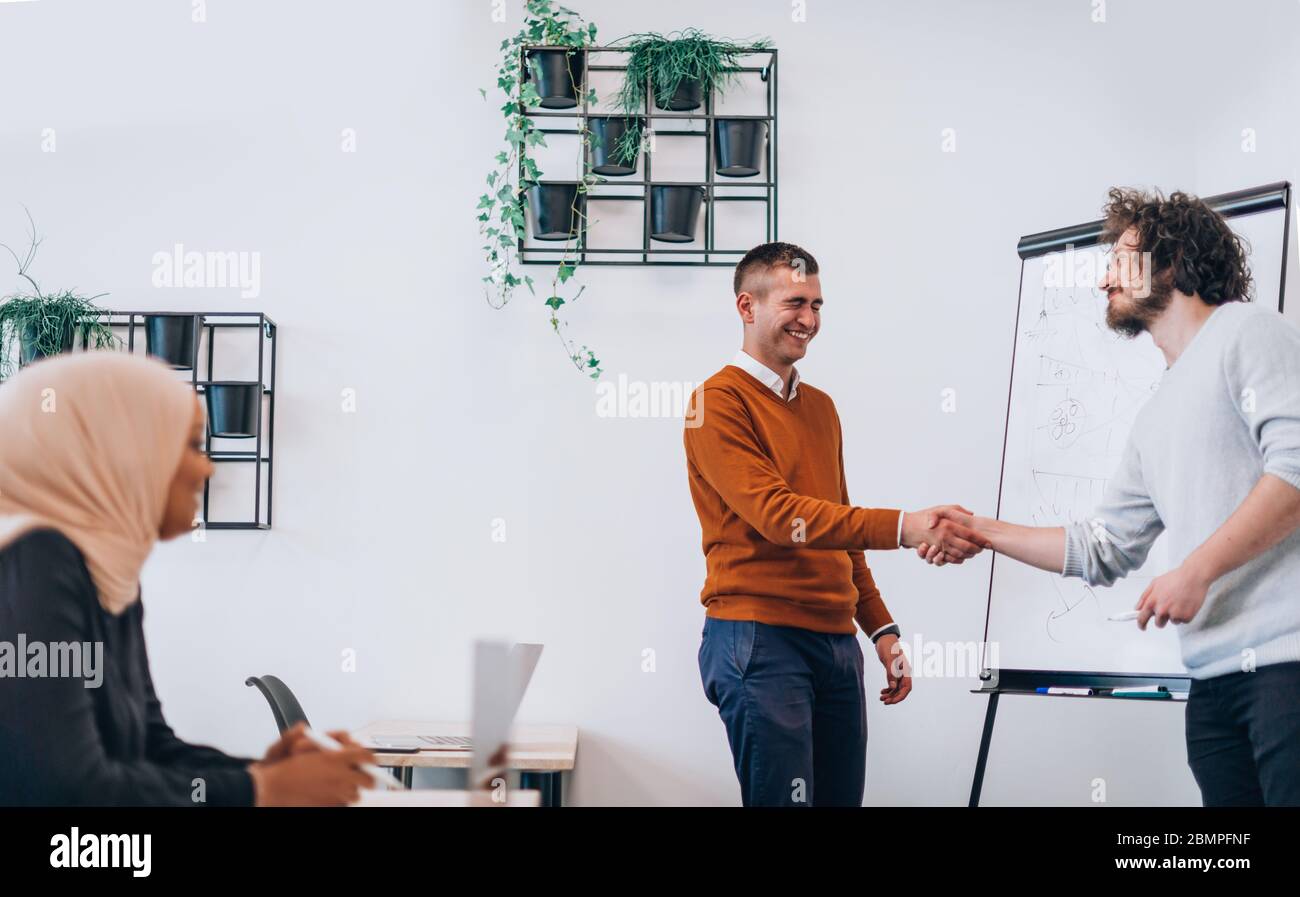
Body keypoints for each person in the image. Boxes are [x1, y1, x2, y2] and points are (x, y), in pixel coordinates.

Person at [918, 188, 1300, 806]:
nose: (1103, 280)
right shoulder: (1157, 413)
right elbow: (1103, 547)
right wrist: (981, 531)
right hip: (1213, 686)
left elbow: (1297, 468)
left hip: (1286, 672)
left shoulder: (1247, 332)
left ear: (1170, 264)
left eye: (1121, 260)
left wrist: (1196, 571)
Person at [683, 241, 990, 807]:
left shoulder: (820, 407)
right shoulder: (716, 403)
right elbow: (782, 518)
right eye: (795, 303)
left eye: (818, 305)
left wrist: (881, 628)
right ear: (747, 307)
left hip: (835, 645)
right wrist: (908, 526)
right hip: (759, 639)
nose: (809, 320)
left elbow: (838, 524)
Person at [0, 352, 375, 806]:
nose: (208, 468)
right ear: (124, 451)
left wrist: (267, 772)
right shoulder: (34, 557)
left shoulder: (108, 576)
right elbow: (65, 788)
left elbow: (152, 750)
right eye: (193, 445)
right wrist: (259, 790)